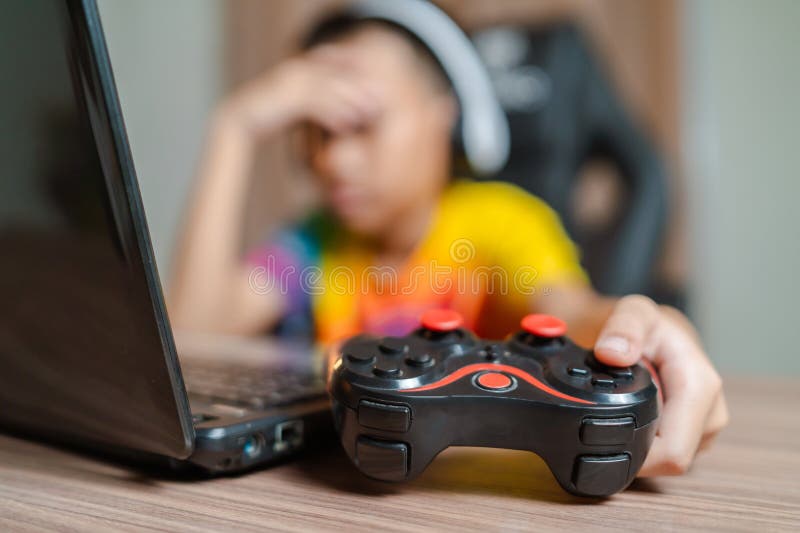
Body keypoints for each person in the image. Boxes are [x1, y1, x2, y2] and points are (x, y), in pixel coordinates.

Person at [169, 16, 727, 478]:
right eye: (315, 131)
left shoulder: (496, 223)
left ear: (446, 116)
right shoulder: (314, 244)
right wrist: (234, 128)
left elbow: (573, 313)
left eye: (361, 123)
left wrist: (638, 328)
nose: (330, 160)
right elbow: (191, 330)